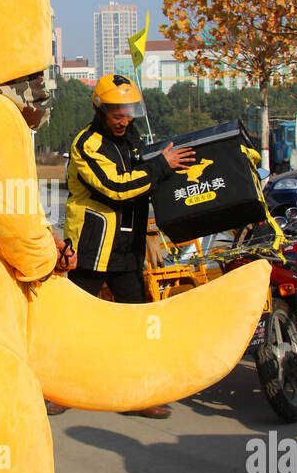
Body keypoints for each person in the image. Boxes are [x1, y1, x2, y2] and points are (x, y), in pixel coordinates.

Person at [48, 73, 196, 417]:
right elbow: (116, 186)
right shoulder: (86, 144)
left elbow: (145, 179)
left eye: (128, 112)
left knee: (135, 322)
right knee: (77, 320)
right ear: (100, 109)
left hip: (128, 247)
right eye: (117, 113)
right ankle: (60, 390)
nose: (124, 119)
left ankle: (137, 397)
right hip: (92, 246)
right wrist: (162, 166)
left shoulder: (133, 139)